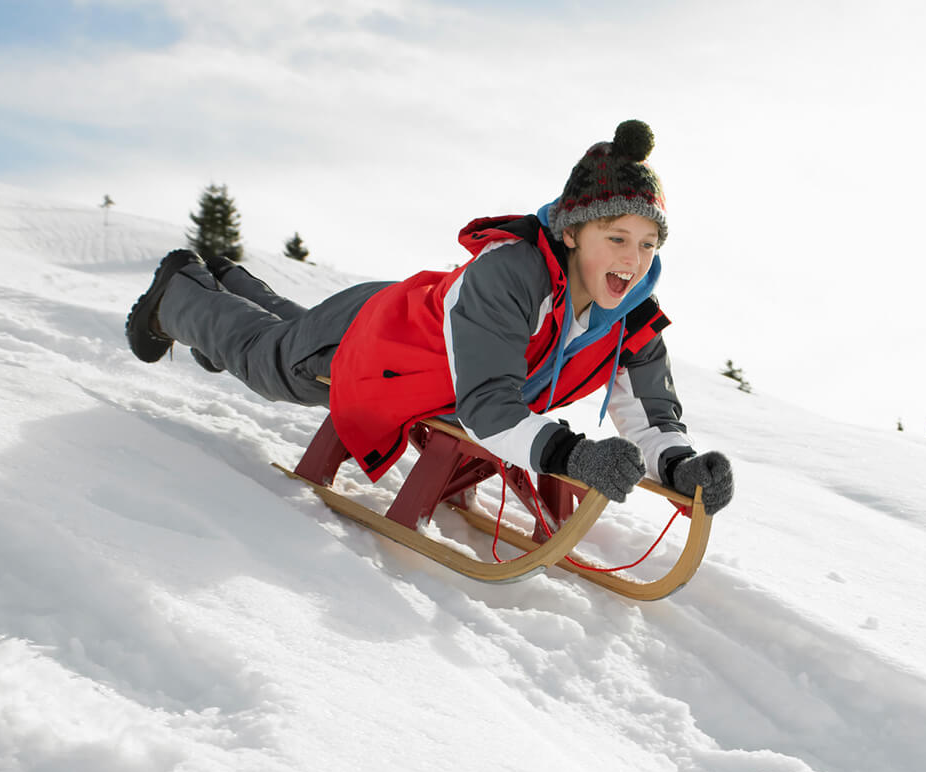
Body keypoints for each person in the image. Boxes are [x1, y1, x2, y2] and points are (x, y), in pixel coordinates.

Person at [125, 120, 733, 514]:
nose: (633, 260)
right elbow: (490, 408)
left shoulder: (632, 317)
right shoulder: (511, 275)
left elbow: (650, 412)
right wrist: (571, 457)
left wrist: (680, 466)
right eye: (617, 236)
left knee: (283, 337)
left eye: (648, 244)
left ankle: (231, 284)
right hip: (377, 340)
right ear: (572, 231)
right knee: (269, 362)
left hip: (422, 348)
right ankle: (178, 295)